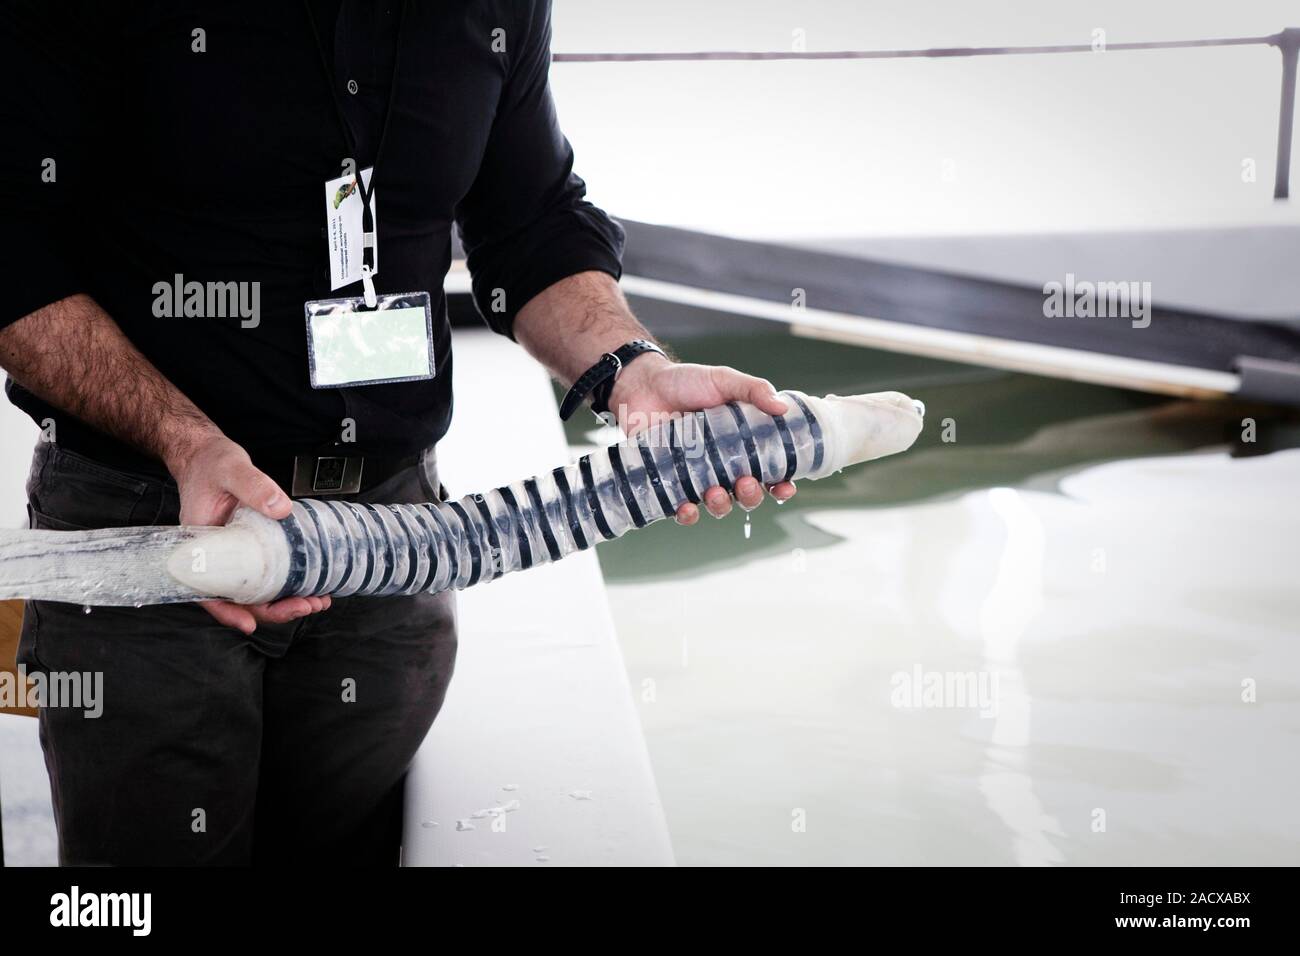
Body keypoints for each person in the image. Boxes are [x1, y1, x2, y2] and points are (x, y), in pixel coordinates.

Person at [0, 0, 795, 865]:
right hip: (152, 527)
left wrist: (631, 369)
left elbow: (530, 218)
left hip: (394, 545)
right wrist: (186, 439)